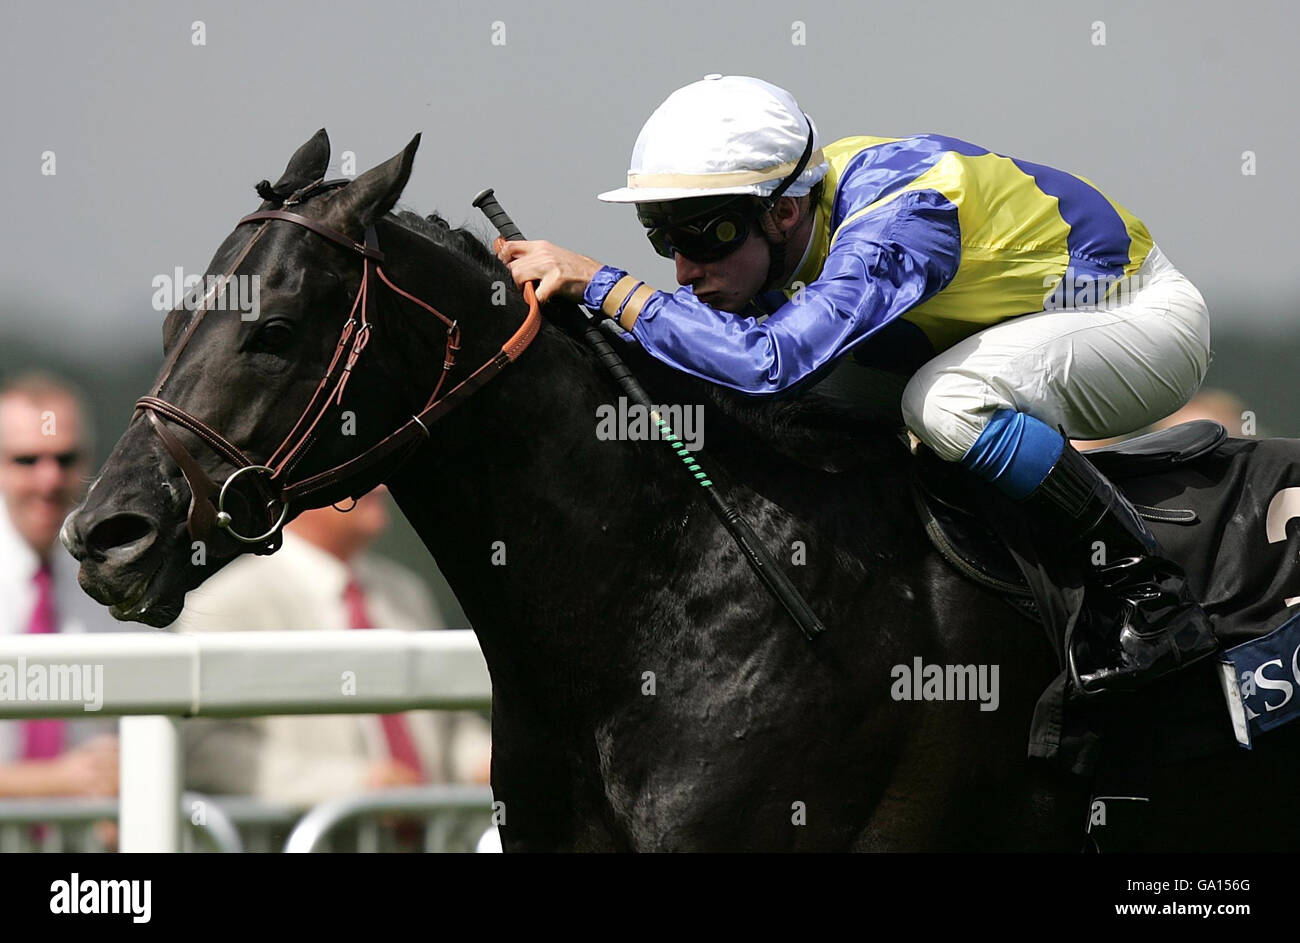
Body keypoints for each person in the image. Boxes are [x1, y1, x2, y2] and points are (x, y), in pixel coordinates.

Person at [496, 74, 1217, 695]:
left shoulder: (901, 216)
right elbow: (727, 358)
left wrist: (605, 283)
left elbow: (770, 358)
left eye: (703, 236)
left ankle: (1147, 588)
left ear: (783, 211)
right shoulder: (801, 208)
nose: (682, 269)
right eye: (664, 239)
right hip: (987, 332)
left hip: (1139, 318)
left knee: (943, 403)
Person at [176, 487, 492, 809]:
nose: (382, 486)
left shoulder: (404, 590)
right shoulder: (227, 602)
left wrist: (486, 763)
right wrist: (354, 788)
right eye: (358, 475)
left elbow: (451, 726)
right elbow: (203, 750)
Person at [0, 371, 118, 803]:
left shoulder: (118, 582)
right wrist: (56, 782)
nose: (48, 480)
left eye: (65, 459)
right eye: (26, 460)